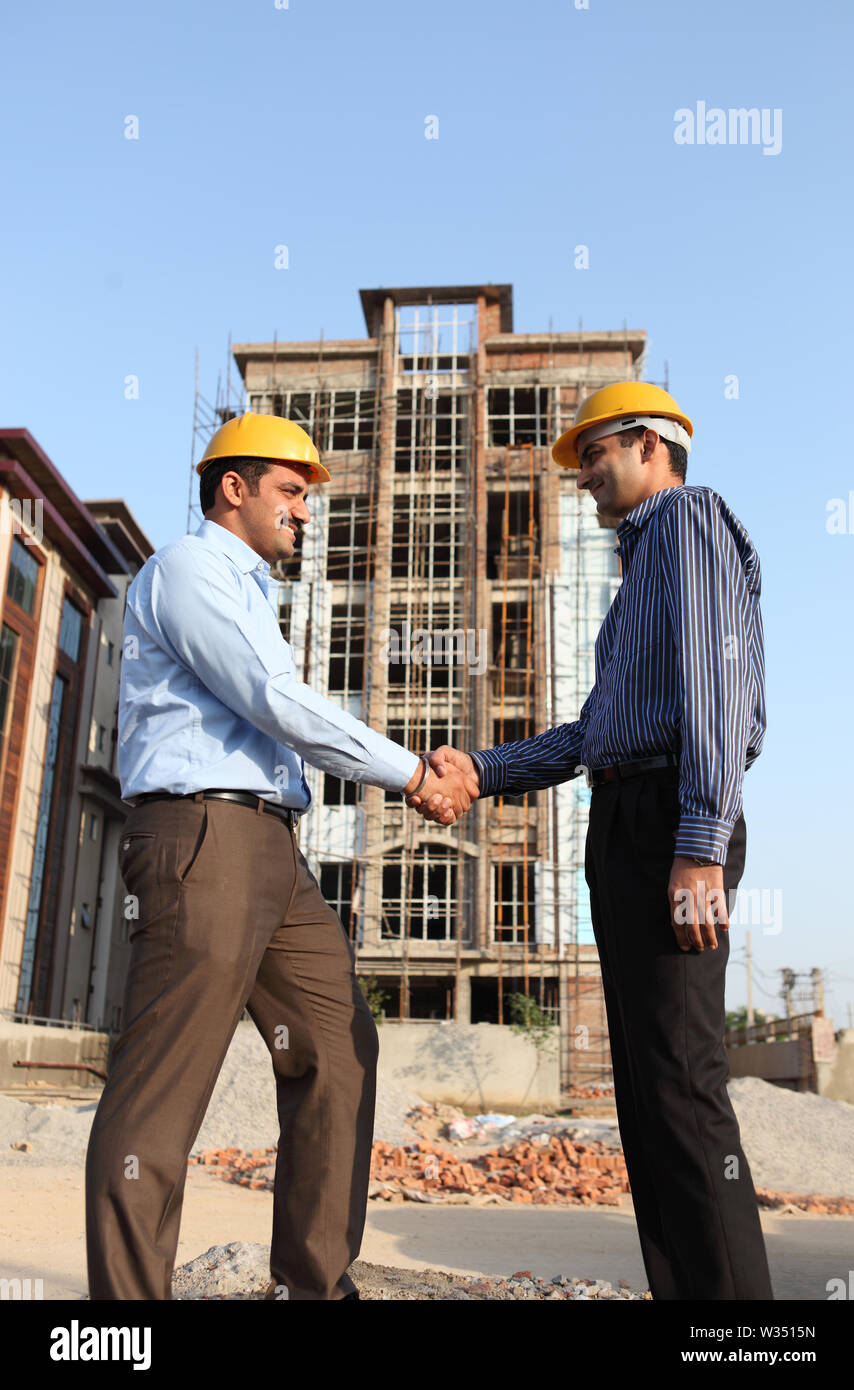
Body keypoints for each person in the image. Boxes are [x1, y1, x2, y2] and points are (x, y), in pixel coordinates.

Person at [85, 412, 477, 1301]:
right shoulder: (188, 570)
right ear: (234, 488)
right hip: (201, 838)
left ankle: (314, 1285)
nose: (304, 512)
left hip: (274, 847)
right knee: (162, 1090)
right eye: (291, 492)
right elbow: (275, 700)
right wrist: (415, 773)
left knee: (338, 1049)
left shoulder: (253, 591)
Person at [415, 382, 774, 1301]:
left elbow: (717, 691)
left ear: (651, 444)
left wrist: (700, 838)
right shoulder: (636, 576)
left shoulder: (689, 523)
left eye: (594, 454)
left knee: (685, 1092)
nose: (582, 476)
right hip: (624, 818)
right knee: (650, 1100)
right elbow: (591, 734)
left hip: (669, 821)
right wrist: (483, 771)